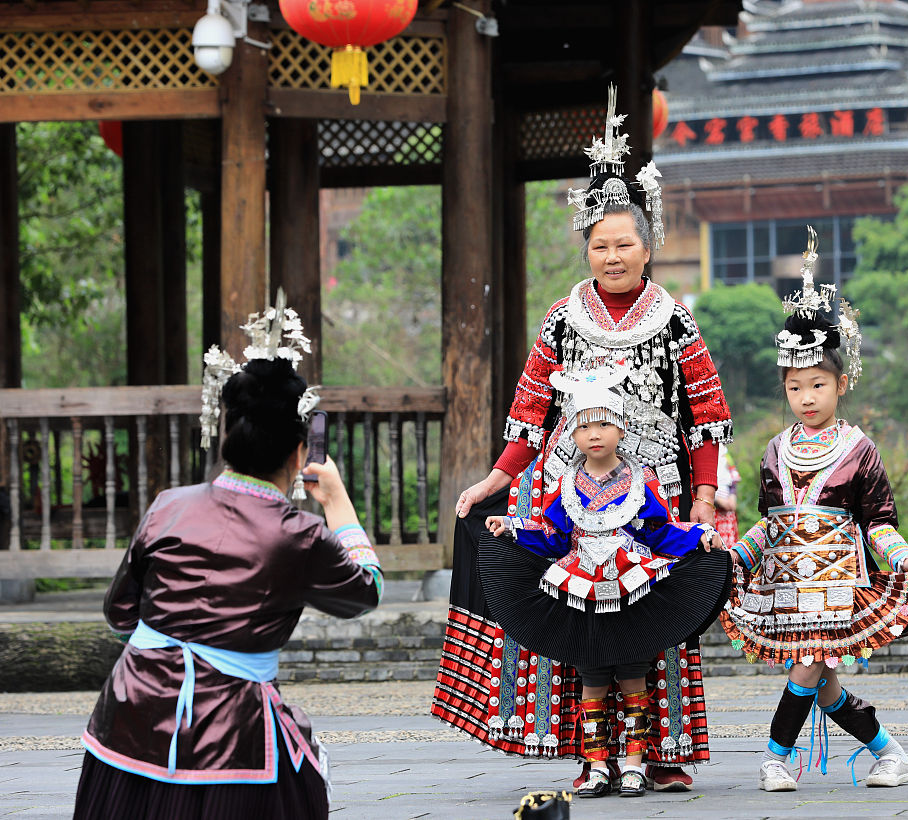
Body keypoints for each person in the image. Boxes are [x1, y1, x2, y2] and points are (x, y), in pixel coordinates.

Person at [431, 85, 733, 792]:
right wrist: (494, 481)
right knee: (582, 623)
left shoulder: (676, 320)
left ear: (649, 247)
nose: (612, 255)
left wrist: (707, 495)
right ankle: (591, 754)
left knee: (655, 622)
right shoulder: (562, 319)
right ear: (586, 249)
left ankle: (660, 751)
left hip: (653, 489)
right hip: (573, 490)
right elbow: (531, 410)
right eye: (600, 245)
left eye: (625, 243)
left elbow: (707, 413)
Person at [74, 296, 383, 820]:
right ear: (298, 451)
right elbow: (365, 591)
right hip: (232, 736)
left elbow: (120, 613)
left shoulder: (168, 506)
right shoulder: (297, 533)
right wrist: (337, 502)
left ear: (224, 435)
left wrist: (176, 643)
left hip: (129, 719)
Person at [719, 231, 908, 793]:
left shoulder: (859, 448)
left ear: (842, 383)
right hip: (790, 585)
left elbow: (878, 522)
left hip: (837, 584)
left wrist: (904, 556)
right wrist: (731, 558)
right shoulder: (773, 449)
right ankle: (890, 753)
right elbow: (771, 525)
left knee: (807, 668)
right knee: (825, 687)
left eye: (818, 384)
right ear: (785, 390)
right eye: (796, 387)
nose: (807, 396)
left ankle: (774, 757)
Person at [479, 368, 731, 797]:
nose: (594, 434)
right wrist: (513, 527)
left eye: (603, 423)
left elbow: (660, 532)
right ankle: (598, 762)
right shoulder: (566, 487)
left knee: (634, 675)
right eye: (583, 426)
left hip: (633, 586)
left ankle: (633, 763)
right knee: (592, 677)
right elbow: (553, 538)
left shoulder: (641, 482)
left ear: (622, 427)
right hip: (582, 590)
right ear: (571, 434)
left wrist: (698, 535)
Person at [714, 442, 741, 546]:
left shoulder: (724, 452)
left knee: (729, 546)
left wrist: (732, 497)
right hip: (713, 509)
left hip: (727, 510)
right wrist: (717, 499)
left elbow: (732, 478)